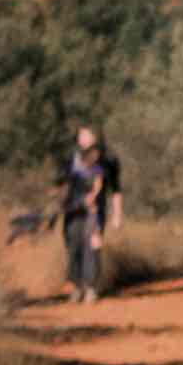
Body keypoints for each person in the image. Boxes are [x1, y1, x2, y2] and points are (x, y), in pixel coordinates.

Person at [57, 124, 122, 299]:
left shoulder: (107, 159)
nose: (84, 139)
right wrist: (62, 202)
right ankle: (76, 285)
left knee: (92, 245)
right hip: (73, 209)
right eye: (81, 135)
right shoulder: (71, 158)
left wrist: (117, 214)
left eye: (88, 135)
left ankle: (91, 286)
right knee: (73, 244)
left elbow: (114, 189)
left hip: (94, 211)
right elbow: (62, 183)